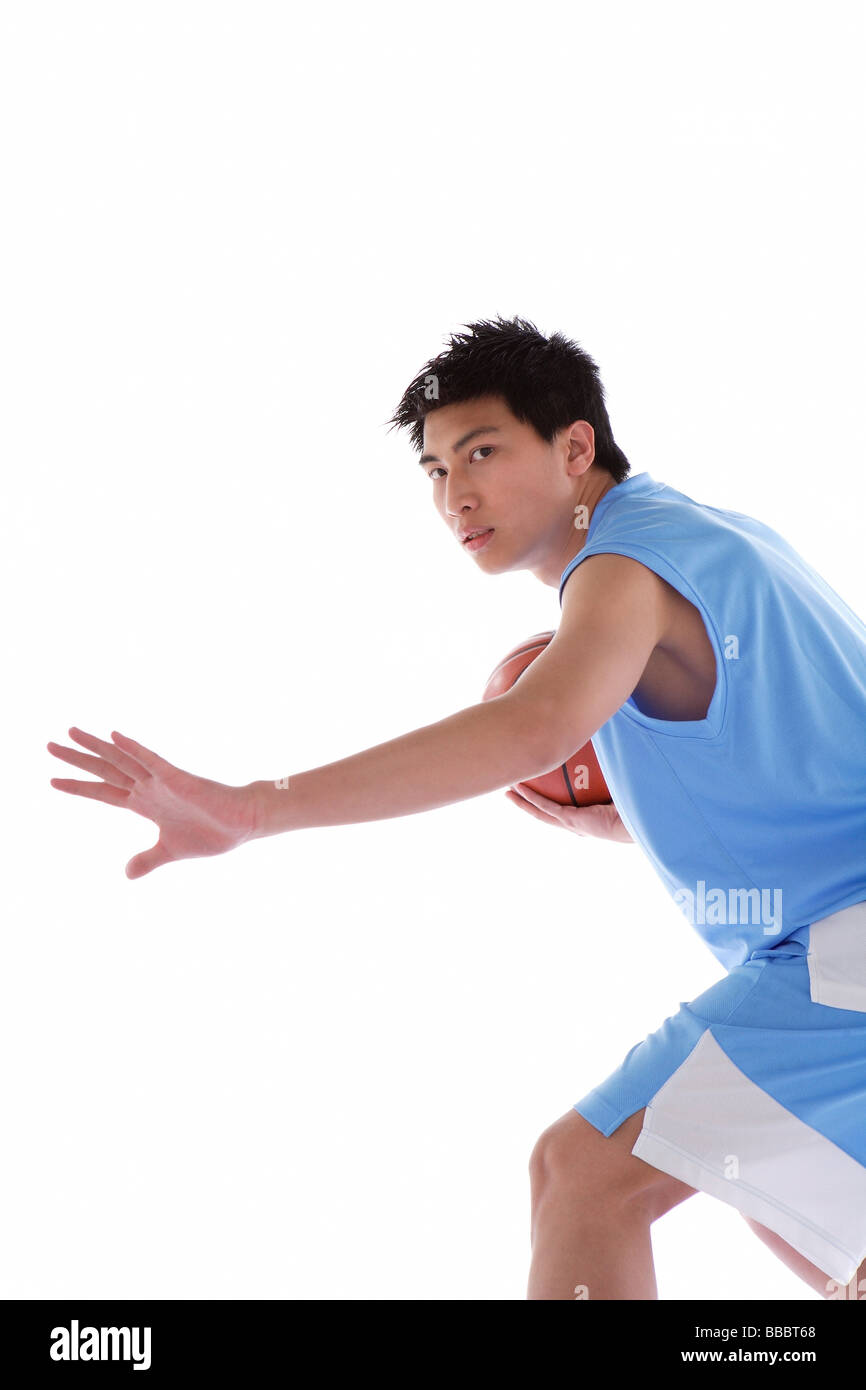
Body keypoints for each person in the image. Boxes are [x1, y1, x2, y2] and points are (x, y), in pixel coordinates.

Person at [47, 314, 866, 1301]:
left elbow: (531, 728)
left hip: (836, 947)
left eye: (480, 451)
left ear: (574, 447)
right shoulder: (712, 537)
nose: (454, 493)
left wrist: (249, 808)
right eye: (434, 471)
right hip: (824, 947)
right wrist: (620, 818)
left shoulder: (622, 565)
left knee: (582, 1175)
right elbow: (794, 767)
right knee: (756, 1179)